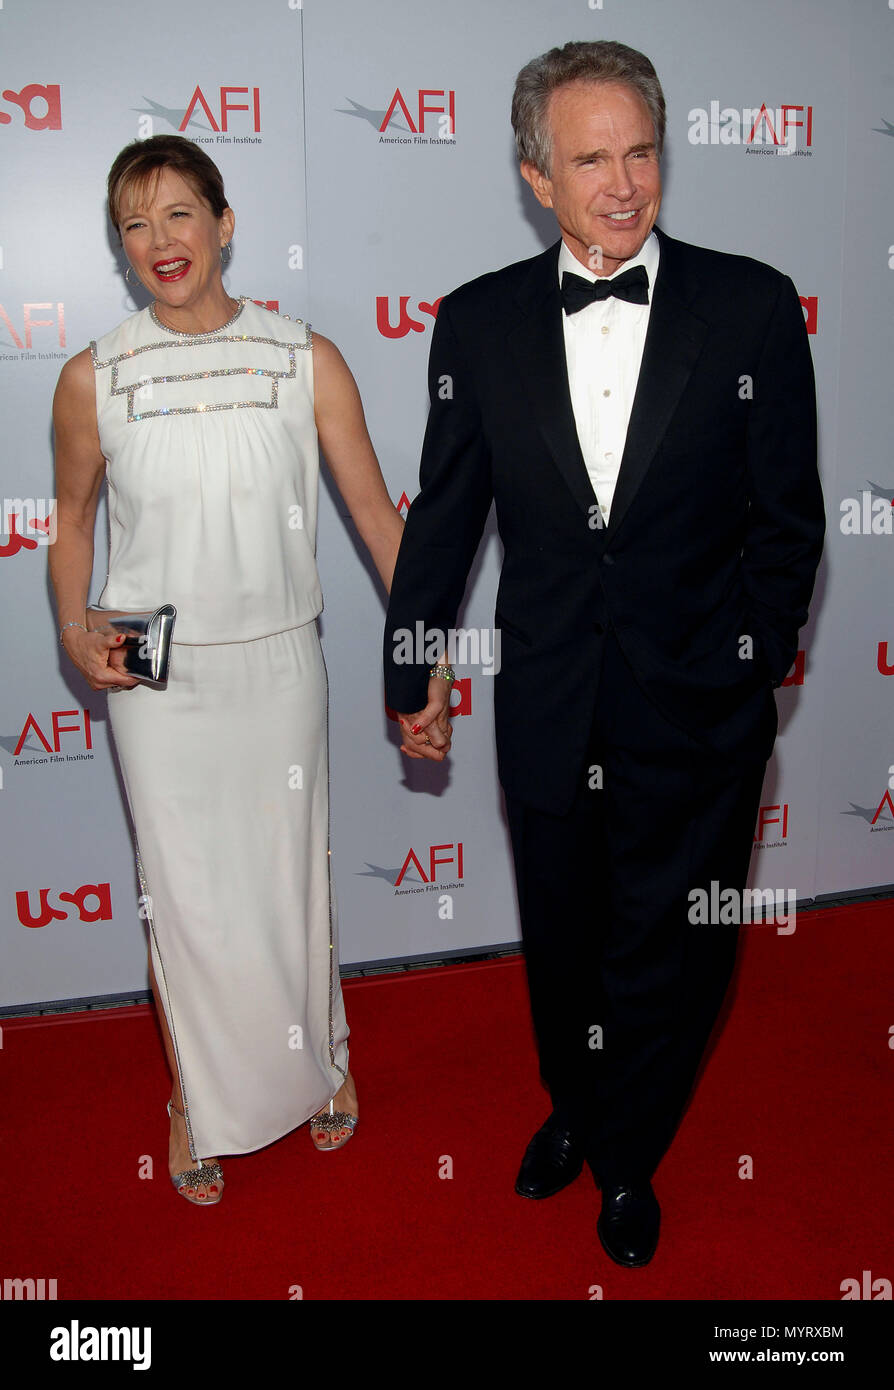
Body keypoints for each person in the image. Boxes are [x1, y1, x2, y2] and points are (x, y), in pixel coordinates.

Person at [383, 40, 824, 1266]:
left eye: (640, 152)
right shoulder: (477, 321)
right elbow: (448, 517)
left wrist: (752, 660)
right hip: (553, 701)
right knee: (568, 936)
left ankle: (629, 1152)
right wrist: (410, 666)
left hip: (702, 705)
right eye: (590, 159)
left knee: (675, 942)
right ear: (536, 176)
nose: (622, 184)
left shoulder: (750, 304)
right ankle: (576, 1103)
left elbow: (789, 526)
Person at [51, 135, 405, 1204]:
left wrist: (421, 646)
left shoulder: (304, 358)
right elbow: (69, 523)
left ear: (224, 221)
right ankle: (193, 1097)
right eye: (134, 223)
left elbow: (380, 520)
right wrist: (75, 627)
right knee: (187, 896)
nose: (160, 241)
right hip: (161, 688)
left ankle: (321, 1061)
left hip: (282, 665)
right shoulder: (93, 376)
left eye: (178, 214)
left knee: (290, 874)